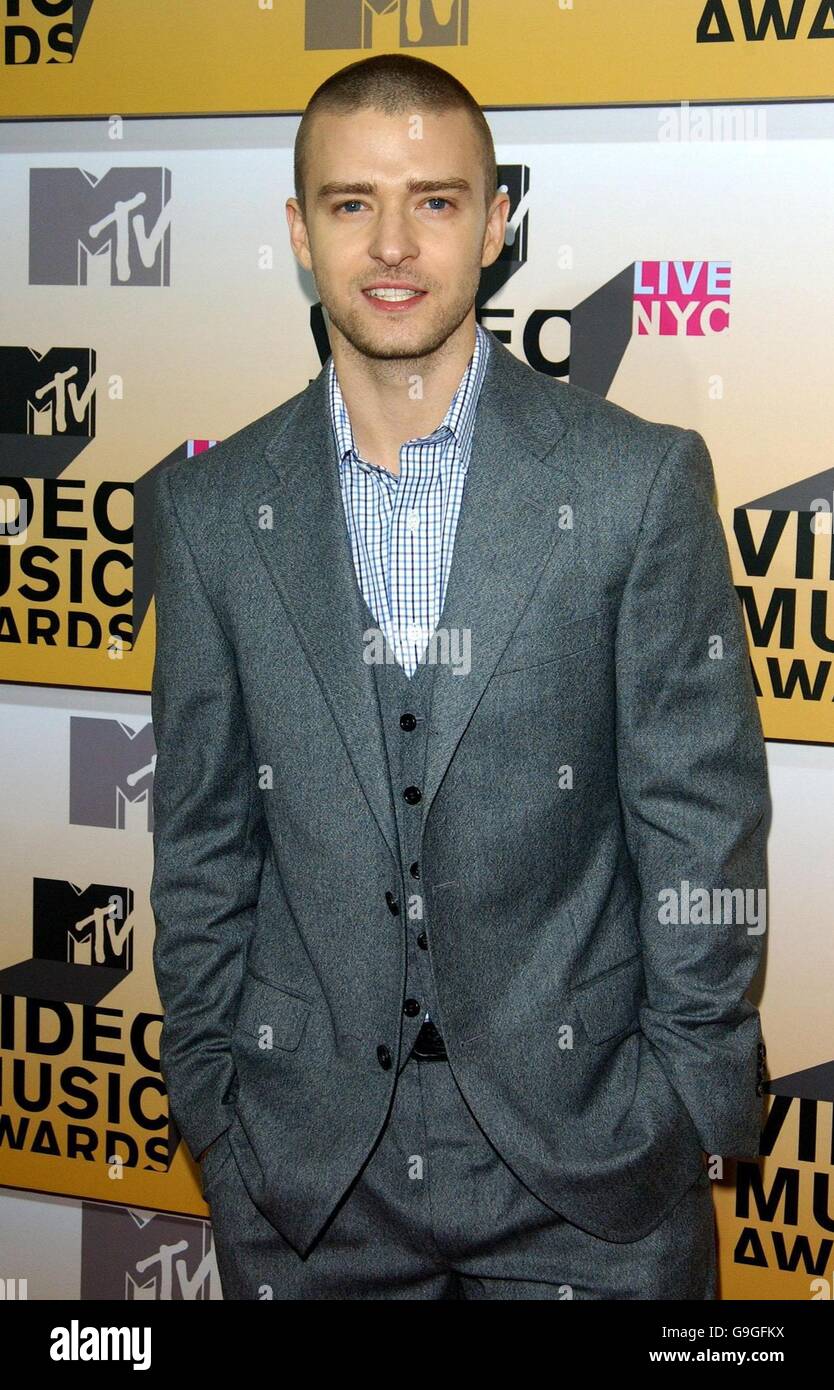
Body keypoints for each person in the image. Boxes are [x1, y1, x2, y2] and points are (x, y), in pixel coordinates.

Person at [150, 52, 770, 1300]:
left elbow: (701, 830)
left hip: (592, 1181)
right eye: (350, 203)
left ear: (496, 224)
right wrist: (218, 1110)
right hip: (310, 1186)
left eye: (434, 201)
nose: (392, 244)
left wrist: (676, 1107)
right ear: (297, 231)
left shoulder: (632, 485)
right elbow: (205, 842)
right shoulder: (210, 509)